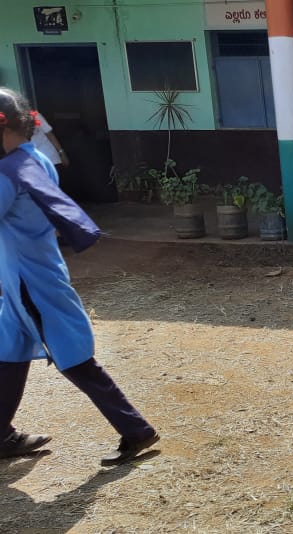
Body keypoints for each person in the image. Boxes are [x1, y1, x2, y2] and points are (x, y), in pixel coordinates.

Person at [0, 87, 158, 465]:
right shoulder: (36, 158)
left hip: (29, 282)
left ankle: (135, 429)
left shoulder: (9, 174)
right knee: (7, 352)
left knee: (73, 358)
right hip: (27, 276)